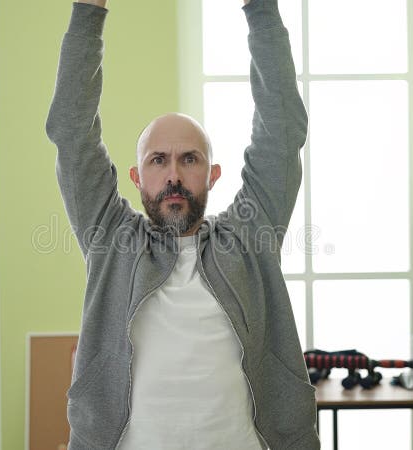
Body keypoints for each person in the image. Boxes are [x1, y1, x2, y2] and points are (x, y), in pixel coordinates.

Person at [45, 0, 319, 448]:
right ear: (137, 178)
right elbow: (72, 134)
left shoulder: (250, 235)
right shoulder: (111, 240)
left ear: (212, 174)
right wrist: (89, 12)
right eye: (158, 160)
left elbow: (282, 131)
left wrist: (261, 10)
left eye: (189, 159)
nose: (173, 175)